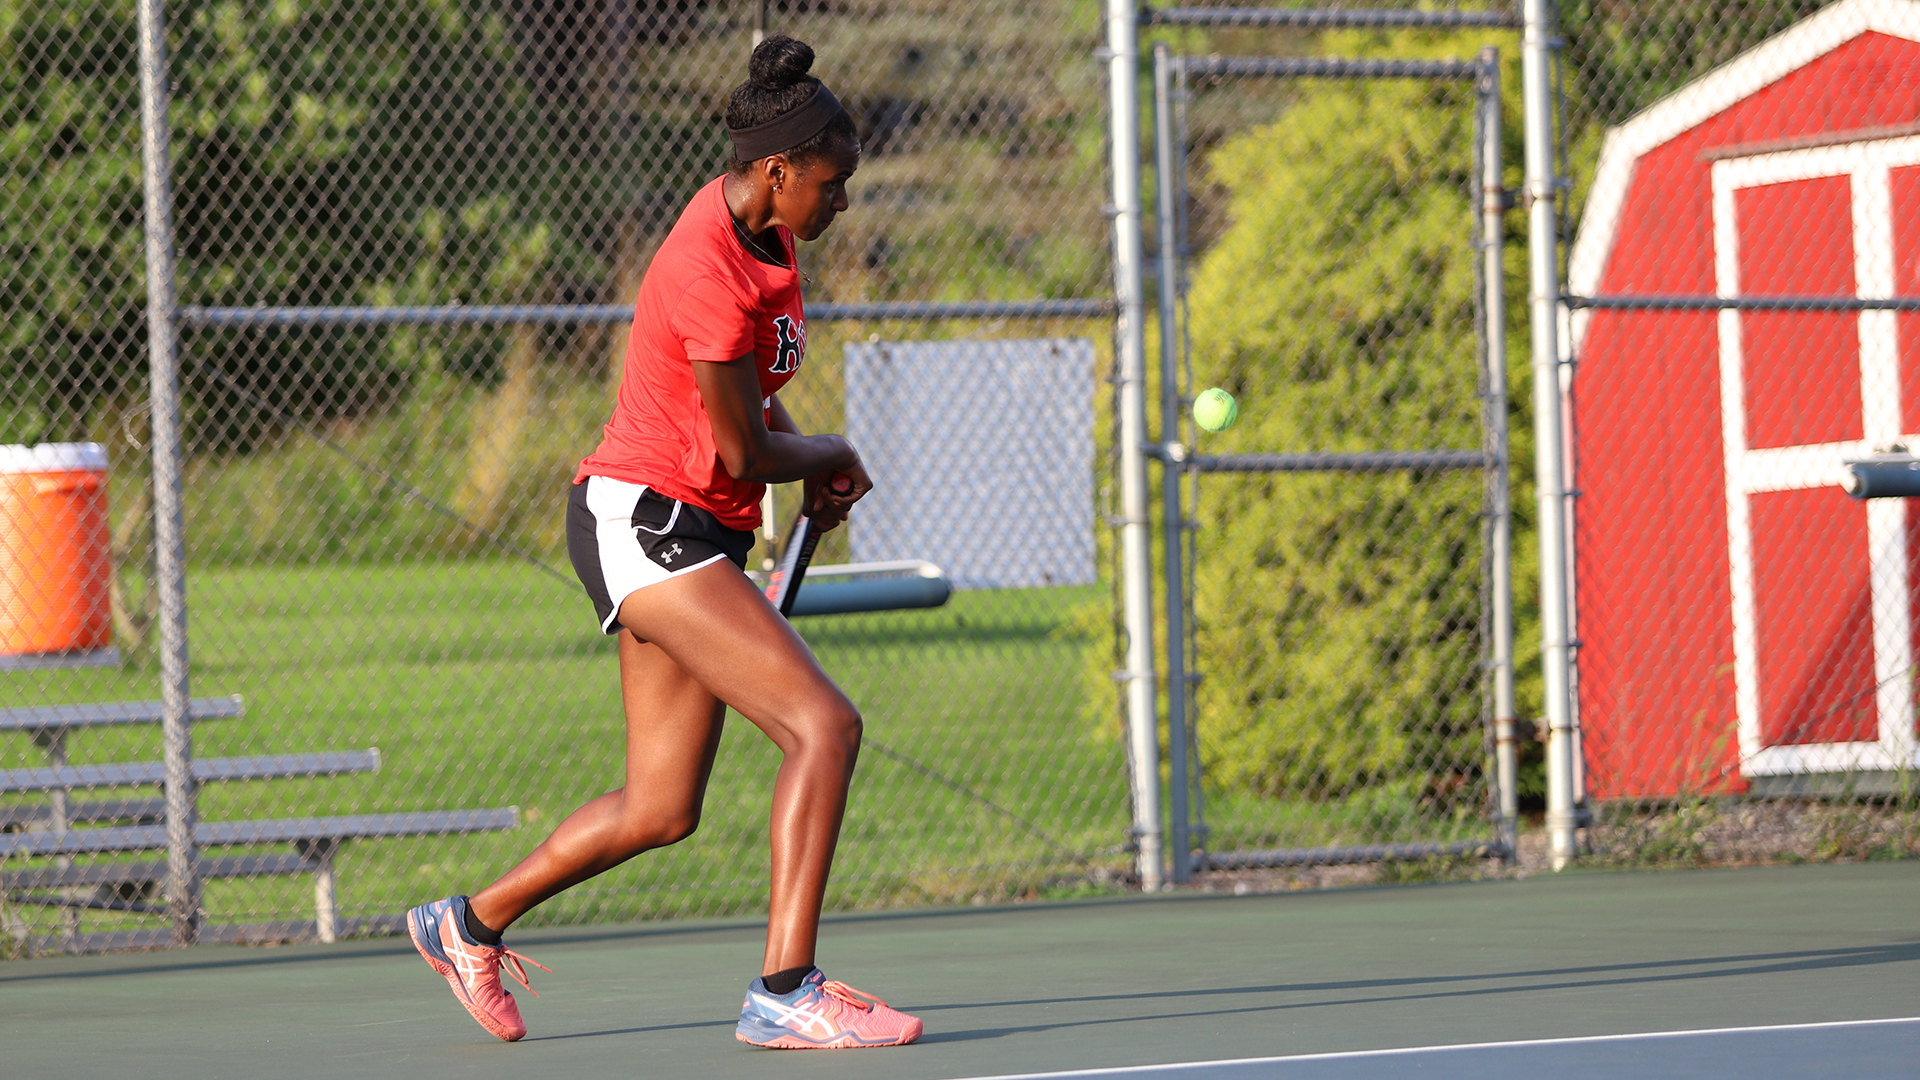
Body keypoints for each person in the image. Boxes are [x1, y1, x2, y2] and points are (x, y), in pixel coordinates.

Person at [405, 34, 921, 1050]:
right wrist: (831, 449)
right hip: (646, 521)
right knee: (825, 727)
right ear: (778, 172)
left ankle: (466, 924)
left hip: (690, 522)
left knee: (660, 805)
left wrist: (809, 458)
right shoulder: (706, 266)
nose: (842, 201)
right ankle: (787, 988)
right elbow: (738, 443)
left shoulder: (765, 239)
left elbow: (748, 412)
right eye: (833, 182)